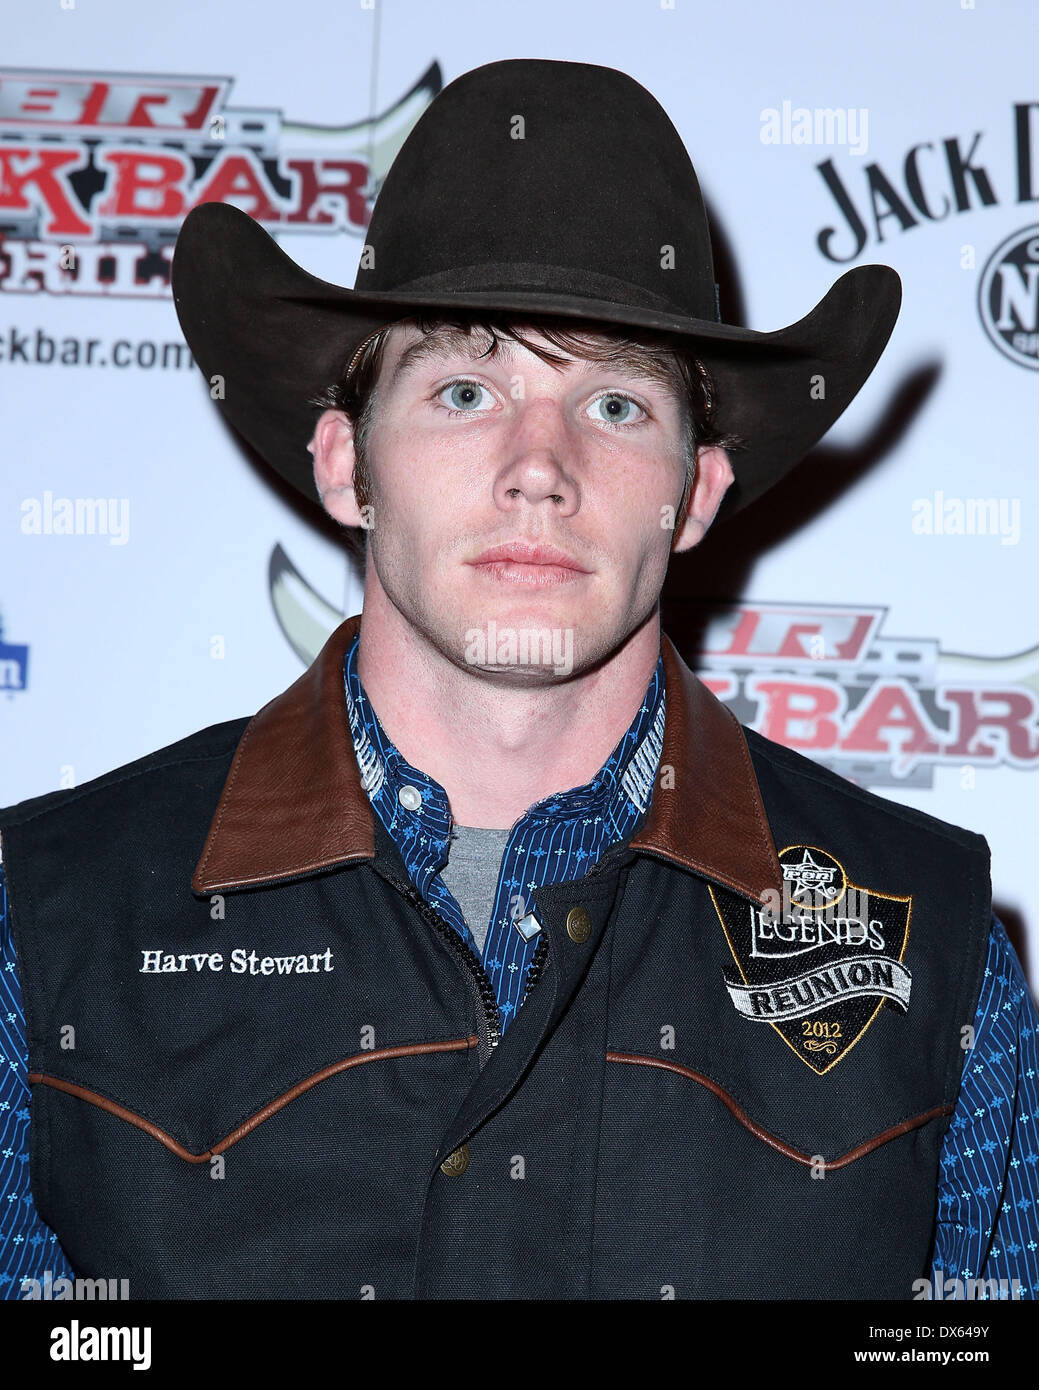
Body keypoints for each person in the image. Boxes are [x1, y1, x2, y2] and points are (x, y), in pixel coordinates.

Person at [1, 57, 1036, 1301]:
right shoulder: (46, 918)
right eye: (462, 388)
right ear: (346, 468)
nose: (537, 467)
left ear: (695, 492)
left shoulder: (934, 942)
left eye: (612, 402)